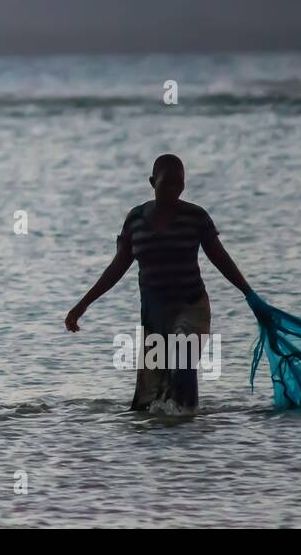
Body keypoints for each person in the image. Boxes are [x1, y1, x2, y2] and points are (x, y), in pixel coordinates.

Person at [64, 154, 250, 413]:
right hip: (155, 314)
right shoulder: (136, 220)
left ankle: (189, 424)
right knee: (150, 399)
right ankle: (162, 440)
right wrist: (82, 305)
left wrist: (249, 294)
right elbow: (117, 267)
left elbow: (221, 258)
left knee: (184, 362)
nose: (173, 190)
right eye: (167, 184)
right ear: (152, 182)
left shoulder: (196, 217)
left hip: (192, 307)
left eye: (179, 184)